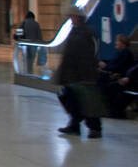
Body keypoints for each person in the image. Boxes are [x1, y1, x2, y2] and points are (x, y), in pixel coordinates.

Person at [55, 9, 102, 138]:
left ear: (78, 17)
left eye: (72, 17)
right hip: (71, 74)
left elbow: (94, 52)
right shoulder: (74, 31)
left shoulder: (88, 31)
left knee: (89, 102)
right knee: (71, 99)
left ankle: (95, 128)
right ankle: (74, 125)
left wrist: (91, 68)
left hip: (85, 73)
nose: (70, 19)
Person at [98, 34, 134, 119]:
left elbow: (118, 66)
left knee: (103, 84)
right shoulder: (121, 53)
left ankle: (107, 109)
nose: (116, 43)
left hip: (121, 78)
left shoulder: (125, 53)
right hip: (117, 75)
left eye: (117, 41)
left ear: (123, 43)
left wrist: (105, 67)